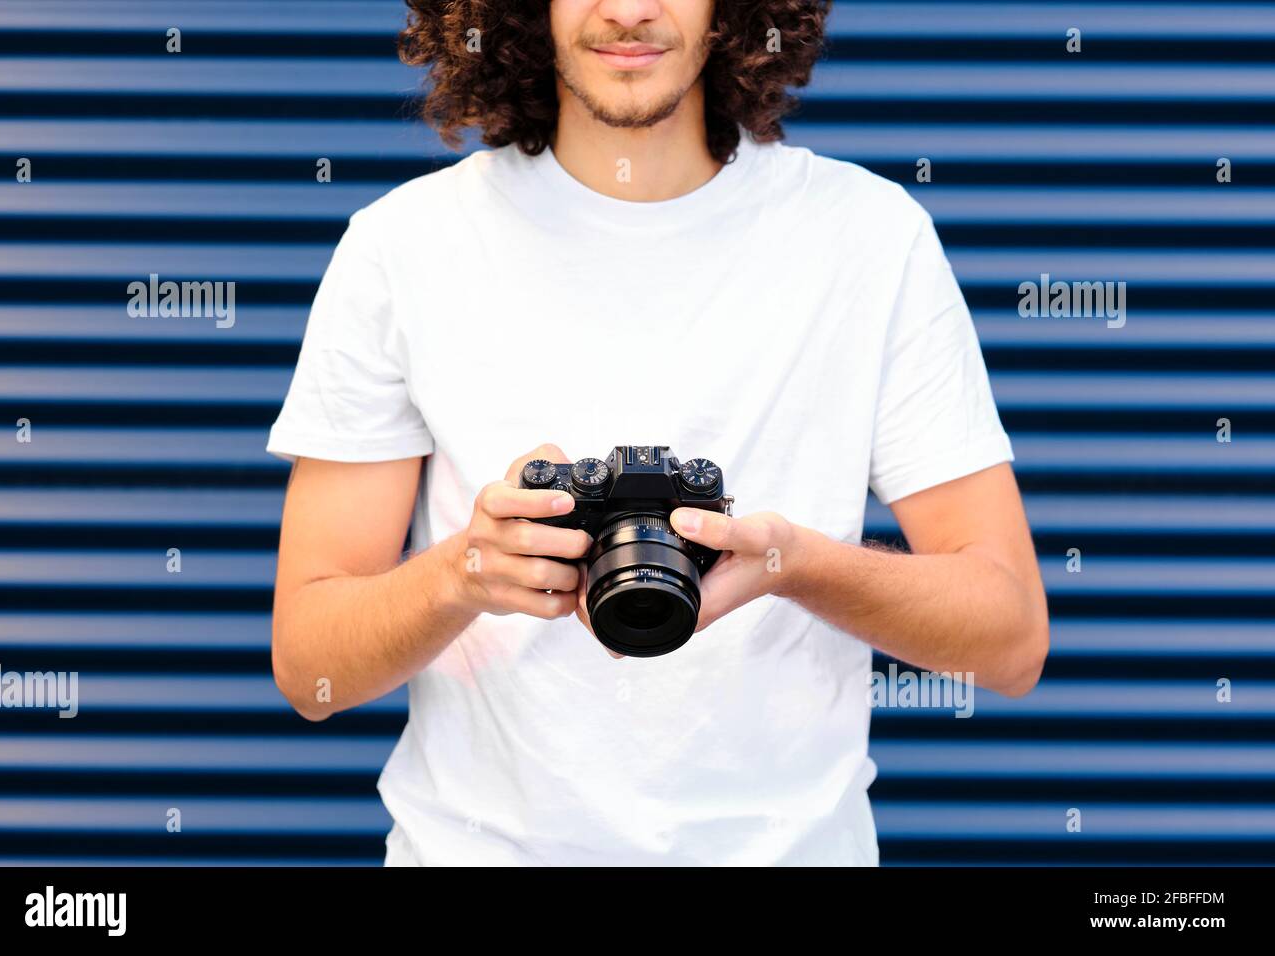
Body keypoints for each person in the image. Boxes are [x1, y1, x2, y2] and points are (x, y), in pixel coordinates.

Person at [267, 0, 1048, 866]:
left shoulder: (869, 236)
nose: (630, 9)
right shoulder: (402, 247)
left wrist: (795, 562)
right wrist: (468, 569)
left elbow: (1010, 642)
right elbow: (310, 668)